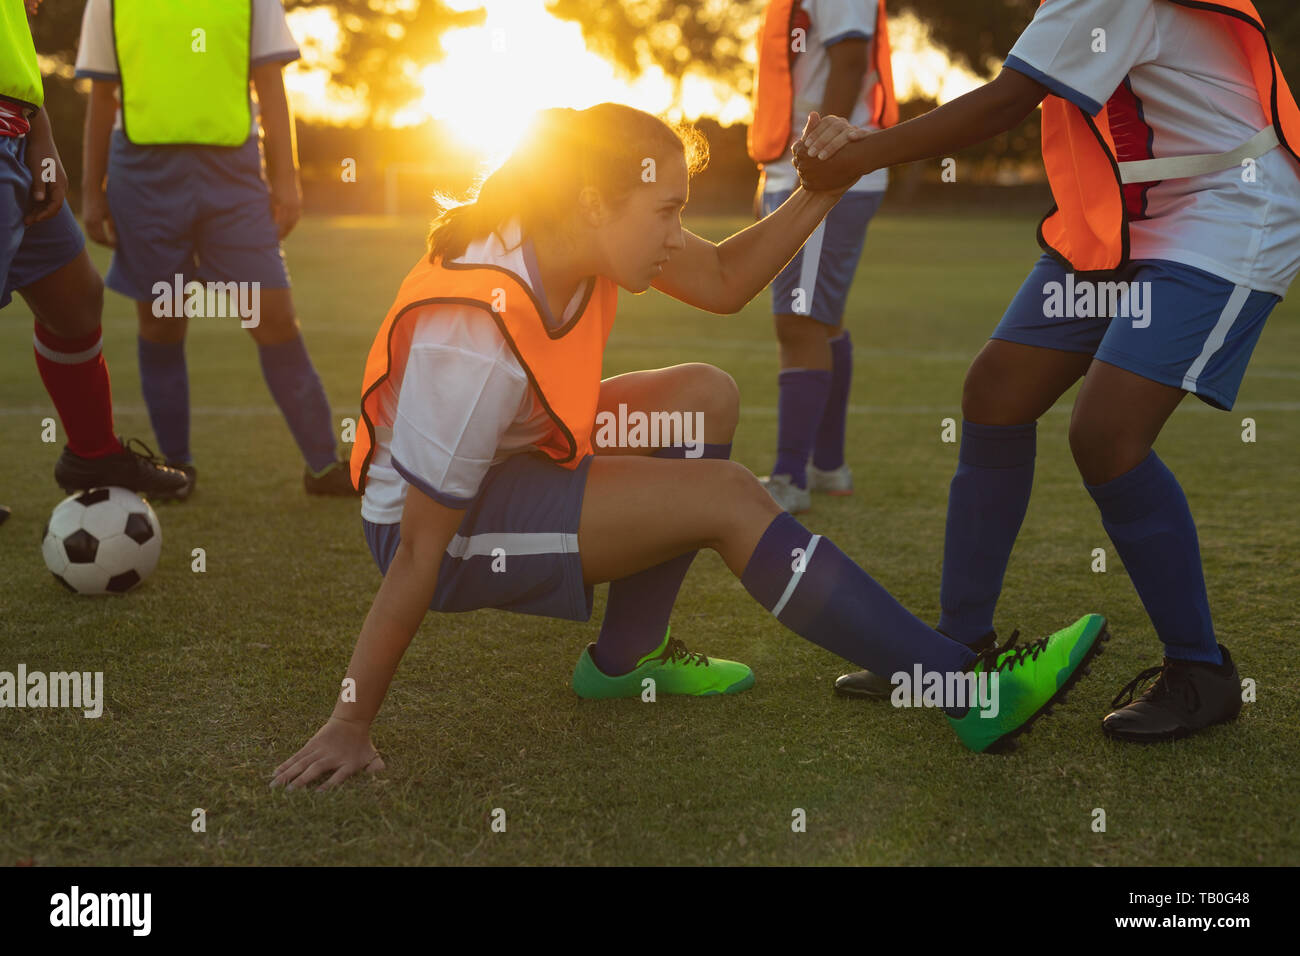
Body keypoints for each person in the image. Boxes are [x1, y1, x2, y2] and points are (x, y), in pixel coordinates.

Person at [271, 105, 1108, 790]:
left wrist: (826, 186)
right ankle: (963, 689)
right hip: (442, 535)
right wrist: (350, 721)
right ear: (597, 201)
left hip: (510, 464)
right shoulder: (471, 335)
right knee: (727, 498)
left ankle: (623, 662)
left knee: (704, 397)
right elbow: (417, 549)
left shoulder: (574, 229)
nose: (679, 233)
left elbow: (724, 281)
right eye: (667, 211)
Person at [798, 0, 1298, 742]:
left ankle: (1202, 671)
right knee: (996, 392)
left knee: (1106, 434)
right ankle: (956, 650)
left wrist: (859, 154)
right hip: (1125, 213)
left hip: (1227, 205)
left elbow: (1008, 99)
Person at [74, 0, 356, 501]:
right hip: (142, 177)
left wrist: (286, 181)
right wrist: (91, 191)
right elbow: (103, 95)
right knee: (163, 319)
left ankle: (323, 466)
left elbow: (271, 83)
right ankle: (177, 467)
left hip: (234, 176)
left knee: (273, 317)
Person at [1, 0, 187, 518]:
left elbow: (10, 50)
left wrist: (40, 136)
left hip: (13, 134)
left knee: (76, 299)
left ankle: (92, 454)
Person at [749, 0, 896, 514]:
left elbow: (851, 58)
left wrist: (820, 157)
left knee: (801, 319)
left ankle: (791, 477)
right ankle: (828, 466)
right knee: (821, 320)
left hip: (827, 171)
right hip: (802, 169)